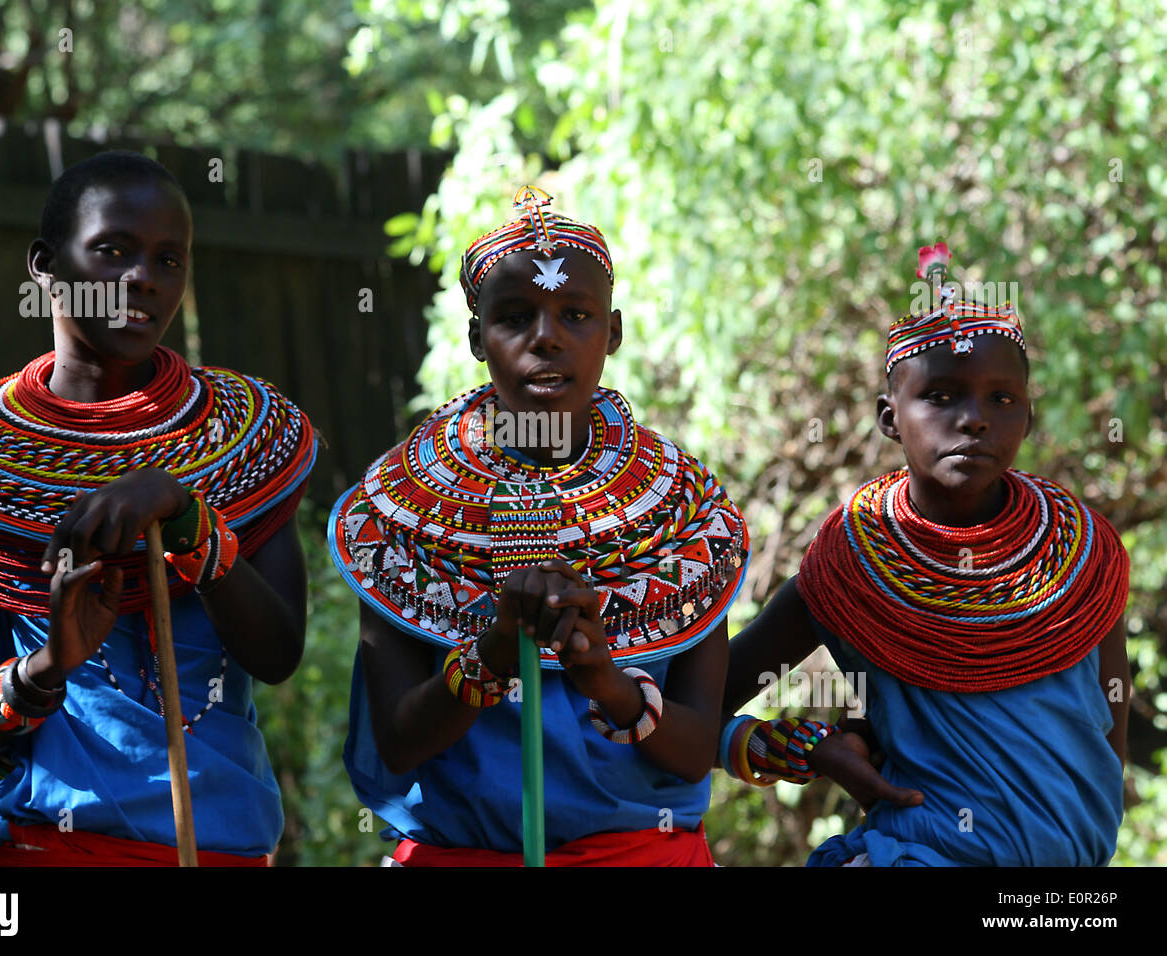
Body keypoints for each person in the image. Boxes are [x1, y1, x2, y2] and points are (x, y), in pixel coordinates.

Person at [0, 150, 318, 865]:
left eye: (169, 260)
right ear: (45, 265)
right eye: (113, 250)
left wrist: (188, 518)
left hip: (219, 851)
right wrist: (45, 669)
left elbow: (277, 653)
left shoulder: (244, 443)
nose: (143, 280)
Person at [328, 186, 750, 865]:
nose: (546, 336)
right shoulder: (400, 513)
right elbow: (399, 742)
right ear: (475, 337)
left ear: (611, 332)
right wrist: (495, 649)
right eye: (516, 316)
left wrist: (607, 682)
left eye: (575, 314)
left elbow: (697, 750)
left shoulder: (683, 512)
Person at [716, 242, 1129, 866]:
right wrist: (802, 749)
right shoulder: (854, 563)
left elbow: (1108, 732)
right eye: (940, 396)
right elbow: (702, 697)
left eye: (1002, 399)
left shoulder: (1082, 554)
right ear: (889, 417)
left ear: (1028, 416)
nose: (975, 420)